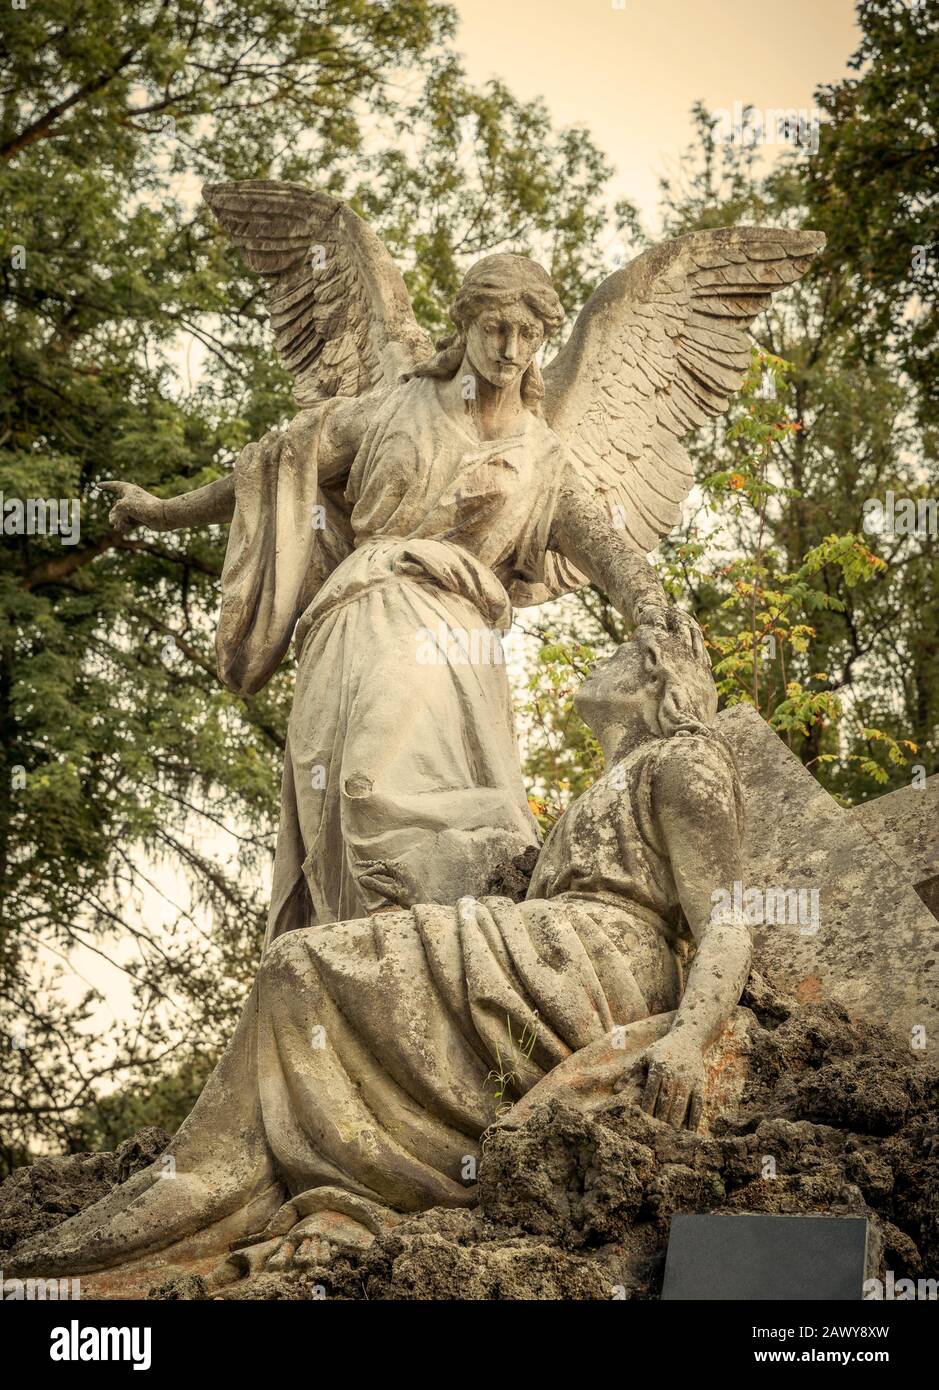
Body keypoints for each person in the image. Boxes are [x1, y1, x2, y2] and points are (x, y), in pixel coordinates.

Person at [10, 621, 749, 1283]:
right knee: (297, 968)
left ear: (653, 669)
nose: (605, 658)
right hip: (537, 949)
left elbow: (726, 918)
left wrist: (689, 1037)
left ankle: (234, 1187)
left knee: (297, 967)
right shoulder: (606, 783)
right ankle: (253, 1186)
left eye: (622, 648)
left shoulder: (686, 761)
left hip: (593, 964)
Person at [101, 254, 701, 946]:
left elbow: (607, 548)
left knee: (428, 782)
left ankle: (438, 924)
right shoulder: (393, 407)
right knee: (355, 773)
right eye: (495, 329)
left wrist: (653, 609)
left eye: (527, 337)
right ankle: (368, 928)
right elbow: (269, 469)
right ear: (464, 325)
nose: (509, 350)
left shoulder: (543, 456)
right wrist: (159, 511)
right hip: (362, 610)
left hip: (457, 635)